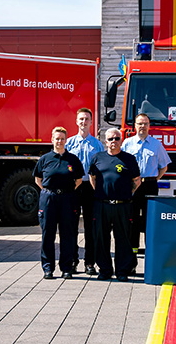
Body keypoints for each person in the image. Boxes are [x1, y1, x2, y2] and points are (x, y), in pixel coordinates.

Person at [89, 128, 141, 281]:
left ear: (121, 140)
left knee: (123, 238)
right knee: (101, 237)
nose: (114, 141)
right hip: (102, 205)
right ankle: (104, 270)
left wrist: (125, 194)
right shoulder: (97, 158)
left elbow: (136, 181)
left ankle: (122, 271)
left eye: (117, 138)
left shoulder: (129, 159)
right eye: (110, 139)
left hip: (123, 205)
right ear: (106, 142)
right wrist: (103, 193)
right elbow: (93, 178)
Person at [33, 127, 84, 280]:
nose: (60, 141)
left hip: (67, 199)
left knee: (67, 234)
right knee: (48, 234)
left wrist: (65, 192)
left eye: (62, 138)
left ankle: (67, 268)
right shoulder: (45, 159)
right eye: (57, 138)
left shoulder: (72, 159)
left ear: (66, 140)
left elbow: (79, 180)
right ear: (52, 140)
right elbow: (38, 179)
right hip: (49, 198)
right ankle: (48, 268)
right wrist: (50, 192)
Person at [121, 113, 170, 269]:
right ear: (135, 126)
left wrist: (154, 179)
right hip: (132, 187)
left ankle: (152, 259)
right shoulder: (127, 144)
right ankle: (132, 260)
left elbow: (164, 166)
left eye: (145, 123)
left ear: (150, 126)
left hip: (149, 185)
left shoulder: (156, 145)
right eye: (139, 123)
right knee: (132, 221)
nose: (142, 126)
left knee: (151, 221)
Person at [65, 107, 103, 276]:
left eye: (87, 119)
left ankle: (89, 263)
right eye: (81, 119)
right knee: (71, 225)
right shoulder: (69, 143)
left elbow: (102, 166)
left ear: (91, 122)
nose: (84, 122)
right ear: (76, 121)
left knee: (90, 227)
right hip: (73, 188)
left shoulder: (97, 144)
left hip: (90, 187)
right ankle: (72, 261)